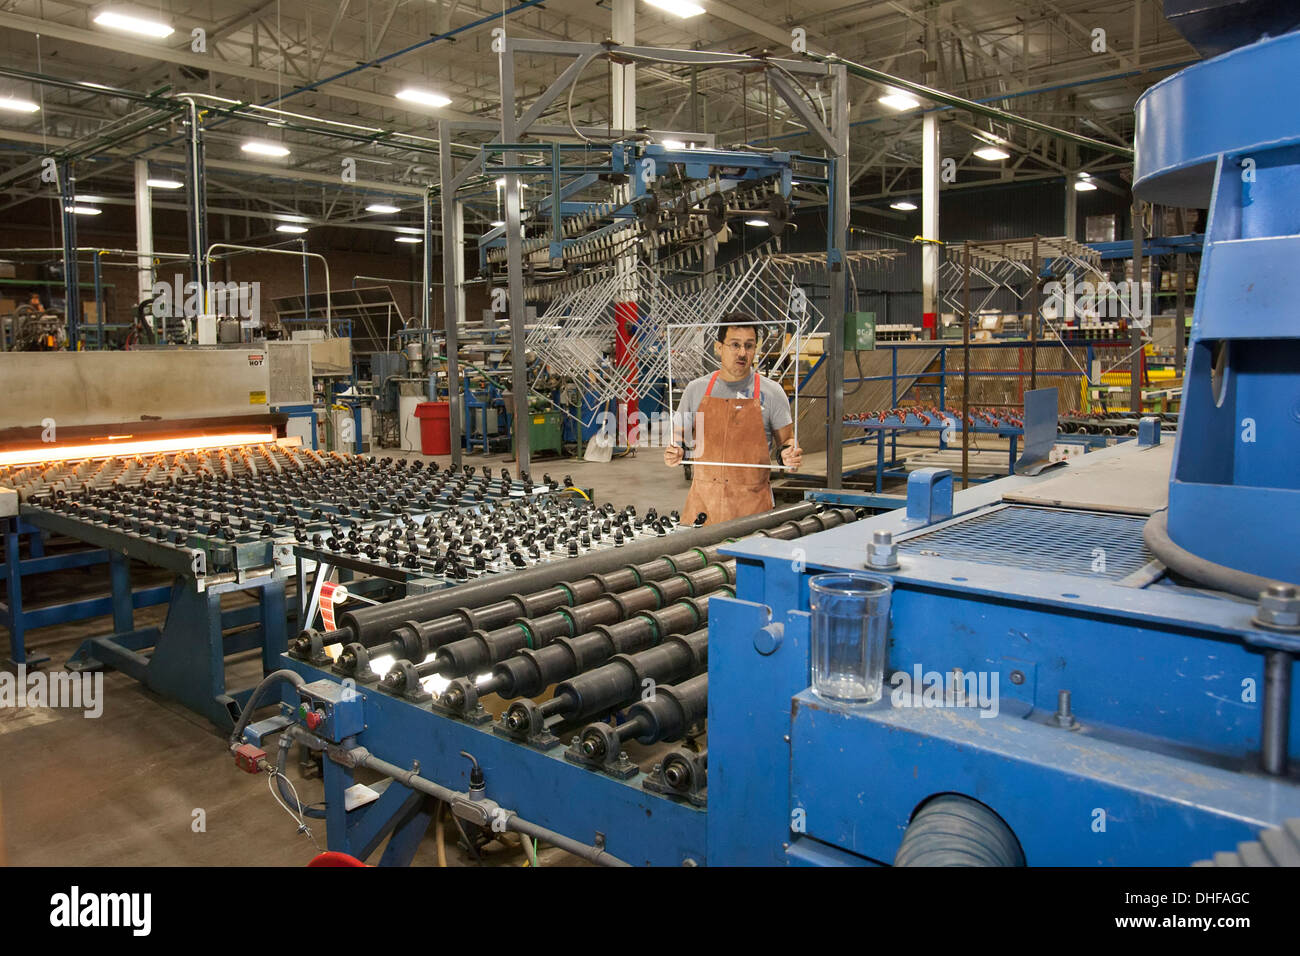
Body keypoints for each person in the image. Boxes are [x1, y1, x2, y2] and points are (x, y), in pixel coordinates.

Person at [664, 313, 802, 525]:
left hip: (752, 509)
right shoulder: (695, 390)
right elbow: (679, 438)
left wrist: (789, 456)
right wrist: (676, 451)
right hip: (703, 506)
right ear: (718, 347)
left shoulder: (772, 393)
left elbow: (787, 441)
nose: (742, 353)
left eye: (749, 345)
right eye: (734, 345)